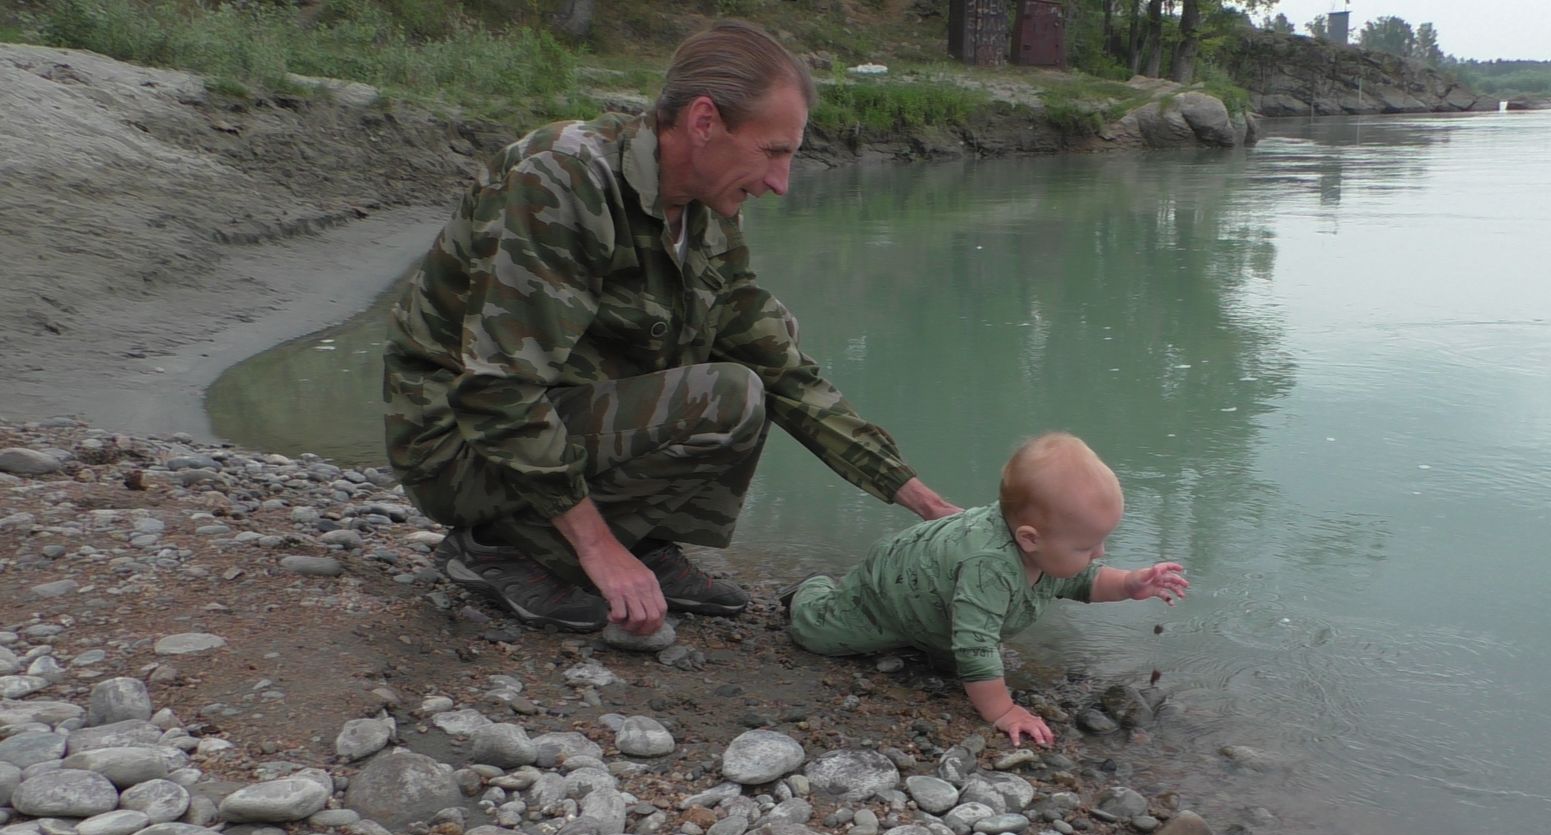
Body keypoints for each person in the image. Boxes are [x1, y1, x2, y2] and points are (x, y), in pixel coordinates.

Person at [383, 21, 957, 637]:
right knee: (729, 395)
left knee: (767, 340)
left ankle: (643, 541)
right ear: (704, 122)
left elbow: (778, 363)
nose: (780, 184)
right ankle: (502, 549)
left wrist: (920, 499)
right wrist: (598, 549)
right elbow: (498, 391)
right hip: (456, 446)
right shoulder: (561, 179)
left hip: (545, 413)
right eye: (773, 152)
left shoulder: (705, 213)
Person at [782, 432, 1189, 748]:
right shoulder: (990, 568)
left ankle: (929, 638)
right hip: (887, 593)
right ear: (1030, 539)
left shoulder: (1044, 546)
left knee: (952, 639)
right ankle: (813, 592)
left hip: (936, 597)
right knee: (815, 634)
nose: (1099, 553)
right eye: (1087, 547)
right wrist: (1004, 711)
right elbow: (976, 647)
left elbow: (1083, 579)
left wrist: (1130, 584)